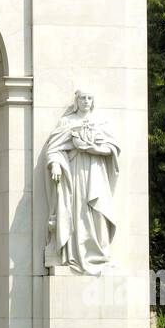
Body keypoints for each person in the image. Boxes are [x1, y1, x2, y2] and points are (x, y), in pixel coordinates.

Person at [44, 91, 119, 275]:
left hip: (97, 170)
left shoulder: (101, 122)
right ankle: (75, 254)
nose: (86, 101)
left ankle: (101, 254)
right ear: (76, 101)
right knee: (77, 212)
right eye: (83, 98)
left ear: (93, 101)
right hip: (75, 172)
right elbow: (53, 148)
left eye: (90, 98)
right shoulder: (67, 122)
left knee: (99, 210)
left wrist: (97, 149)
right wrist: (55, 164)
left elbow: (113, 147)